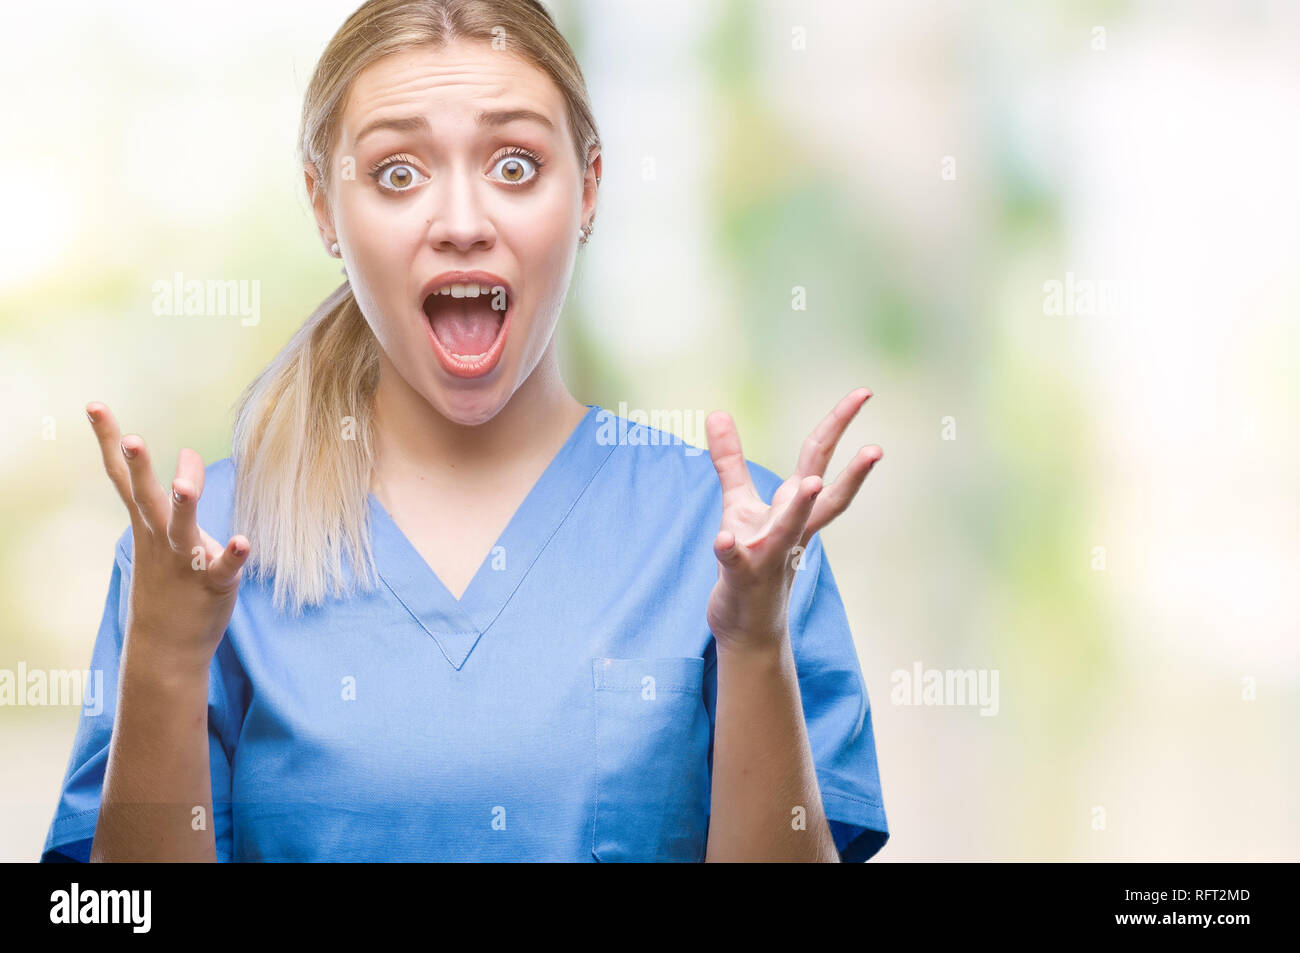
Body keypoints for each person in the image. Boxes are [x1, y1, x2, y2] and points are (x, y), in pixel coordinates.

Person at [42, 0, 888, 863]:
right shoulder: (196, 551)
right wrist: (166, 658)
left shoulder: (739, 542)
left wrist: (753, 641)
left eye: (515, 164)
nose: (460, 222)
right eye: (398, 173)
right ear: (324, 206)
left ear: (589, 187)